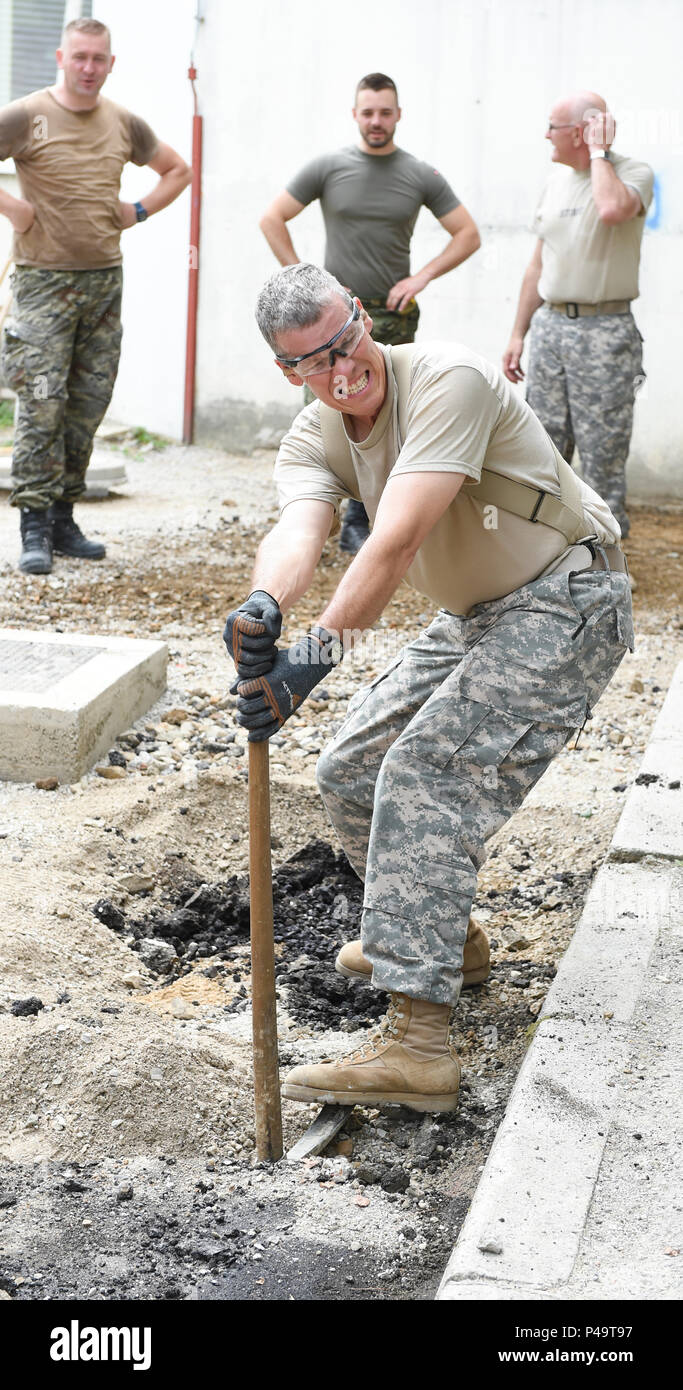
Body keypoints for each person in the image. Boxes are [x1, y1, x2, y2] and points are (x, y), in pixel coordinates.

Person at [223, 263, 633, 1114]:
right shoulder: (316, 432)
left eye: (347, 340)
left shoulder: (447, 377)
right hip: (479, 614)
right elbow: (299, 528)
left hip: (566, 598)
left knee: (426, 775)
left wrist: (312, 660)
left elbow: (396, 539)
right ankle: (445, 940)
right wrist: (266, 605)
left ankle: (417, 1048)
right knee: (352, 768)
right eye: (314, 361)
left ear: (364, 319)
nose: (342, 368)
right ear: (287, 371)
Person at [0, 17, 192, 575]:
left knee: (87, 404)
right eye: (79, 57)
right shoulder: (26, 115)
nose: (88, 68)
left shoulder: (124, 122)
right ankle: (33, 524)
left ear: (110, 64)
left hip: (104, 282)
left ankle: (64, 517)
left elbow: (176, 170)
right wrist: (13, 208)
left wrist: (136, 211)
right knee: (42, 401)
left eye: (98, 59)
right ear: (61, 57)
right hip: (42, 282)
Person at [259, 72, 480, 553]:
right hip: (331, 325)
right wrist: (307, 282)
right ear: (355, 114)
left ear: (398, 115)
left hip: (391, 318)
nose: (376, 121)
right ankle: (317, 518)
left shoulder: (419, 174)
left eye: (385, 112)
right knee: (328, 409)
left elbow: (467, 233)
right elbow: (271, 218)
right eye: (368, 112)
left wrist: (420, 277)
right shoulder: (327, 167)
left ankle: (370, 516)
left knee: (386, 414)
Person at [503, 91, 653, 539]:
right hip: (550, 328)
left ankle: (607, 561)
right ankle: (547, 552)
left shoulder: (632, 173)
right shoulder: (555, 182)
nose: (546, 135)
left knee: (602, 455)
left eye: (554, 126)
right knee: (542, 451)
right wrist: (518, 334)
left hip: (604, 332)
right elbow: (538, 263)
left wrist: (600, 152)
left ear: (581, 131)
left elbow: (611, 210)